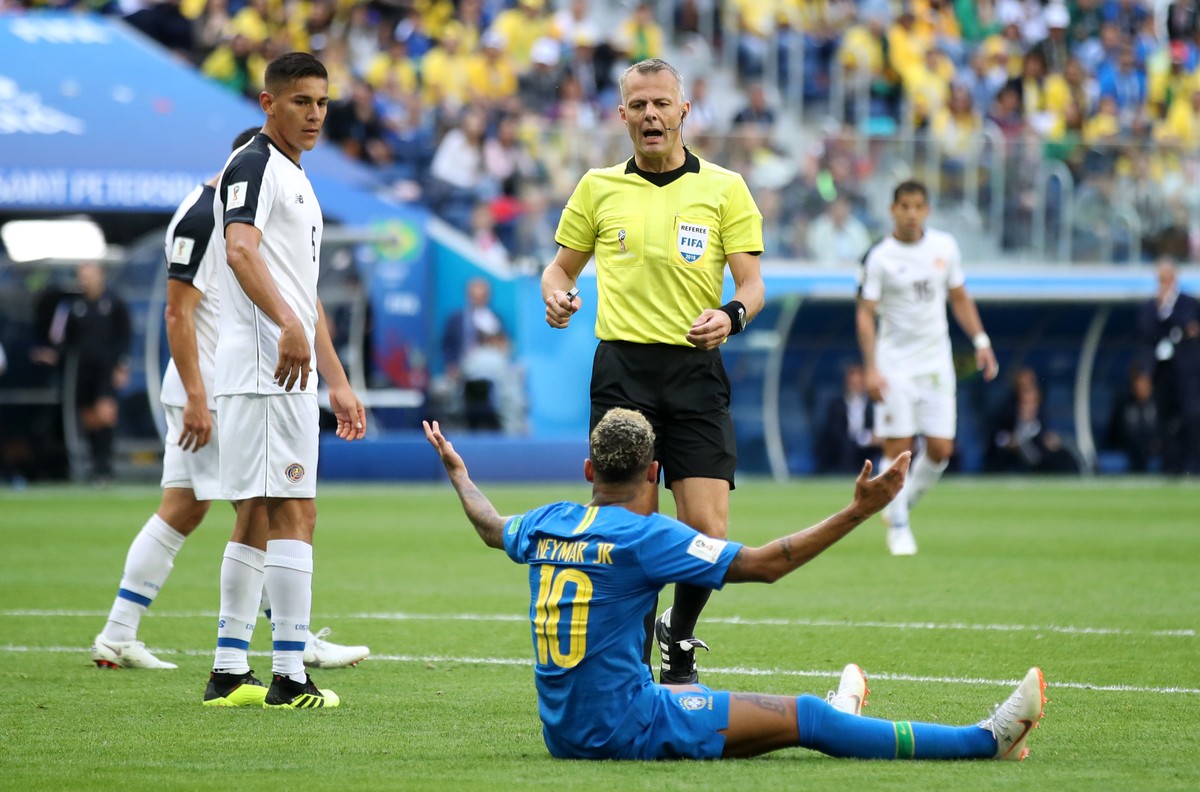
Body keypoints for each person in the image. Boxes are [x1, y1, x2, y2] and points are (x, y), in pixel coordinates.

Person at [422, 408, 1046, 762]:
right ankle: (984, 741)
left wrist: (460, 473)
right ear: (656, 473)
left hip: (564, 731)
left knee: (750, 709)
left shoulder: (547, 521)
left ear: (589, 469)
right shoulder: (647, 537)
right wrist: (858, 512)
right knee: (802, 717)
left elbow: (488, 525)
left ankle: (845, 712)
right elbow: (767, 562)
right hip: (626, 727)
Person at [89, 128, 368, 674]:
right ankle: (290, 642)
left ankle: (119, 632)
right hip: (218, 387)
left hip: (219, 385)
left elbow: (299, 295)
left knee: (185, 509)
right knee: (267, 510)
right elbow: (177, 311)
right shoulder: (201, 214)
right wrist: (196, 393)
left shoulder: (240, 206)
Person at [541, 58, 765, 686]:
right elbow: (560, 268)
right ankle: (631, 674)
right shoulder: (597, 187)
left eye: (661, 104)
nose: (650, 115)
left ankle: (679, 631)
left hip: (696, 370)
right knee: (627, 531)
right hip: (623, 374)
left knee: (708, 530)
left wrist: (733, 315)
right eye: (638, 105)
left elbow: (752, 283)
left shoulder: (725, 188)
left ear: (683, 111)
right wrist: (555, 292)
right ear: (622, 116)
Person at [207, 52, 366, 710]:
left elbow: (306, 298)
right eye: (302, 101)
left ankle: (227, 668)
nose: (316, 114)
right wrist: (287, 327)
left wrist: (338, 378)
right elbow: (239, 249)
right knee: (293, 513)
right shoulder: (255, 165)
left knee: (255, 515)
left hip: (287, 368)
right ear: (269, 104)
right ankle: (291, 673)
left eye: (323, 103)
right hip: (269, 368)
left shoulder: (296, 177)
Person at [856, 180, 999, 557]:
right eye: (904, 205)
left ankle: (900, 505)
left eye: (918, 205)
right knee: (899, 444)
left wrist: (981, 341)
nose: (911, 213)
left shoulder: (945, 247)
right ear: (893, 209)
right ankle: (899, 526)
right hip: (895, 364)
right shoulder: (880, 257)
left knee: (940, 449)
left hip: (936, 361)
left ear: (927, 210)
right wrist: (871, 368)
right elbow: (865, 314)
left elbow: (960, 298)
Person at [55, 262, 132, 483]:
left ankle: (105, 465)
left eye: (89, 274)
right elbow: (65, 338)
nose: (85, 279)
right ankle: (94, 463)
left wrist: (121, 364)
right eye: (82, 275)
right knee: (88, 416)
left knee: (105, 412)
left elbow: (124, 336)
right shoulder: (74, 306)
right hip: (82, 368)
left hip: (106, 366)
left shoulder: (114, 303)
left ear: (100, 275)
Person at [1139, 259, 1200, 475]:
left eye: (1165, 279)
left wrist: (1167, 311)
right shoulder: (1149, 306)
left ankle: (1193, 465)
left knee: (1191, 416)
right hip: (1161, 369)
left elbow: (1190, 326)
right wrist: (1145, 373)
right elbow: (1148, 335)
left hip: (1185, 371)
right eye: (1159, 280)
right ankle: (1171, 465)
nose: (1162, 284)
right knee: (1163, 417)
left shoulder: (1186, 301)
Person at [984, 367, 1079, 474]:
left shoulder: (1040, 412)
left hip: (1038, 455)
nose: (1028, 394)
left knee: (1063, 453)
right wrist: (1009, 441)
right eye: (1024, 388)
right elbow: (997, 436)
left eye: (1031, 387)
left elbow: (1041, 434)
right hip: (1013, 455)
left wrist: (1048, 439)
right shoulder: (1007, 411)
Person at [814, 363, 880, 474]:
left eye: (859, 383)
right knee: (846, 447)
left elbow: (876, 428)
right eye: (853, 384)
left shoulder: (873, 404)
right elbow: (835, 432)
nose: (856, 387)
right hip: (842, 448)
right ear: (847, 384)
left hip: (868, 450)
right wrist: (861, 439)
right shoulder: (836, 405)